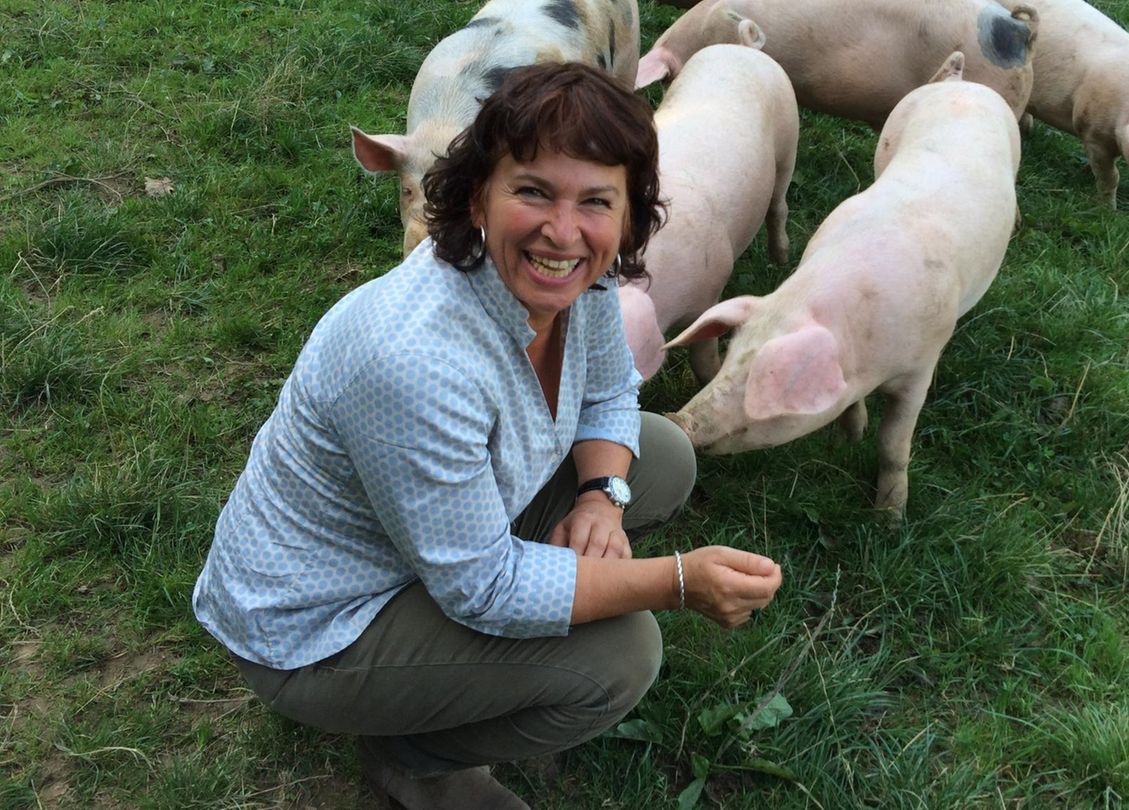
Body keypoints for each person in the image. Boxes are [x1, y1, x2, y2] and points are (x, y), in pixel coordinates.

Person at [192, 62, 784, 810]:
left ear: (627, 213)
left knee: (659, 456)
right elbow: (484, 588)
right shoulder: (413, 361)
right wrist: (677, 582)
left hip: (424, 547)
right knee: (619, 655)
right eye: (533, 191)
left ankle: (468, 676)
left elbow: (608, 390)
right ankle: (413, 760)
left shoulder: (579, 275)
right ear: (477, 195)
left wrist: (601, 499)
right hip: (320, 622)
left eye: (596, 201)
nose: (563, 231)